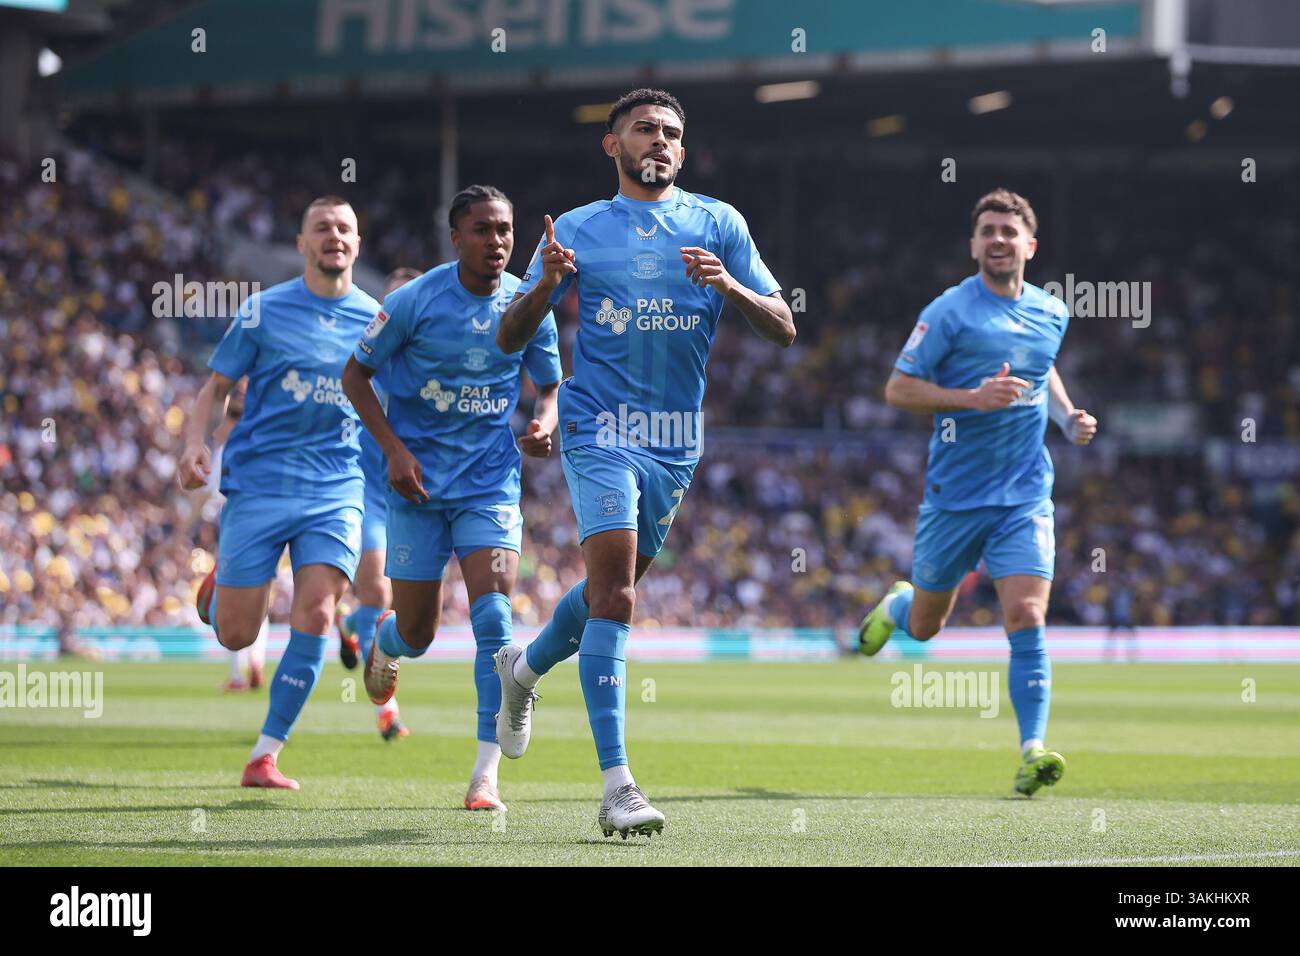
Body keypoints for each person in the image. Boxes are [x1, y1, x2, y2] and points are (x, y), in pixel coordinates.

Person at [493, 88, 795, 839]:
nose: (658, 141)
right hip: (599, 428)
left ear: (683, 152)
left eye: (670, 133)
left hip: (675, 441)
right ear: (612, 146)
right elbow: (509, 337)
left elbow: (785, 326)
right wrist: (546, 286)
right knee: (620, 597)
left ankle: (522, 670)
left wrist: (729, 286)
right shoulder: (576, 230)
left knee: (607, 591)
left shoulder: (719, 224)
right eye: (643, 130)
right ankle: (617, 786)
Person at [857, 188, 1098, 797]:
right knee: (927, 627)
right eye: (988, 231)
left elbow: (1043, 373)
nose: (998, 240)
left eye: (1008, 232)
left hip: (1024, 494)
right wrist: (972, 399)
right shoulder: (948, 312)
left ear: (1030, 246)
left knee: (1027, 614)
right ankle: (897, 607)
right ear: (973, 245)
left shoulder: (1052, 312)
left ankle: (1032, 751)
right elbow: (898, 389)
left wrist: (1066, 418)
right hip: (954, 496)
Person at [342, 185, 562, 813]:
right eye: (484, 230)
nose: (498, 242)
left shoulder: (529, 299)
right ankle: (387, 640)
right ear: (456, 236)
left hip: (489, 484)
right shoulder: (414, 301)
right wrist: (393, 450)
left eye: (506, 230)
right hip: (416, 487)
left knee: (494, 618)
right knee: (418, 632)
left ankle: (484, 775)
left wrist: (544, 420)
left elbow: (550, 385)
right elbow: (354, 376)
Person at [178, 196, 379, 790]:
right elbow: (215, 389)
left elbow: (400, 395)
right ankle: (220, 592)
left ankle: (265, 754)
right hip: (260, 484)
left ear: (357, 243)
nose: (334, 237)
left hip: (336, 487)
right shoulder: (262, 311)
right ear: (301, 243)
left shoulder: (376, 319)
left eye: (345, 228)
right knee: (237, 633)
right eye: (322, 228)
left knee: (316, 611)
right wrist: (196, 444)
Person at [335, 266, 425, 740]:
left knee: (406, 615)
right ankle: (386, 710)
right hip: (365, 490)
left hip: (412, 497)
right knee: (379, 592)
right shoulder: (360, 355)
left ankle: (349, 623)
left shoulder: (432, 357)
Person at [197, 377, 268, 692]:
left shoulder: (229, 447)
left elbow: (212, 496)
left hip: (237, 526)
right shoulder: (267, 441)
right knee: (260, 598)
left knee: (232, 598)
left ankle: (238, 673)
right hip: (271, 524)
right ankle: (256, 662)